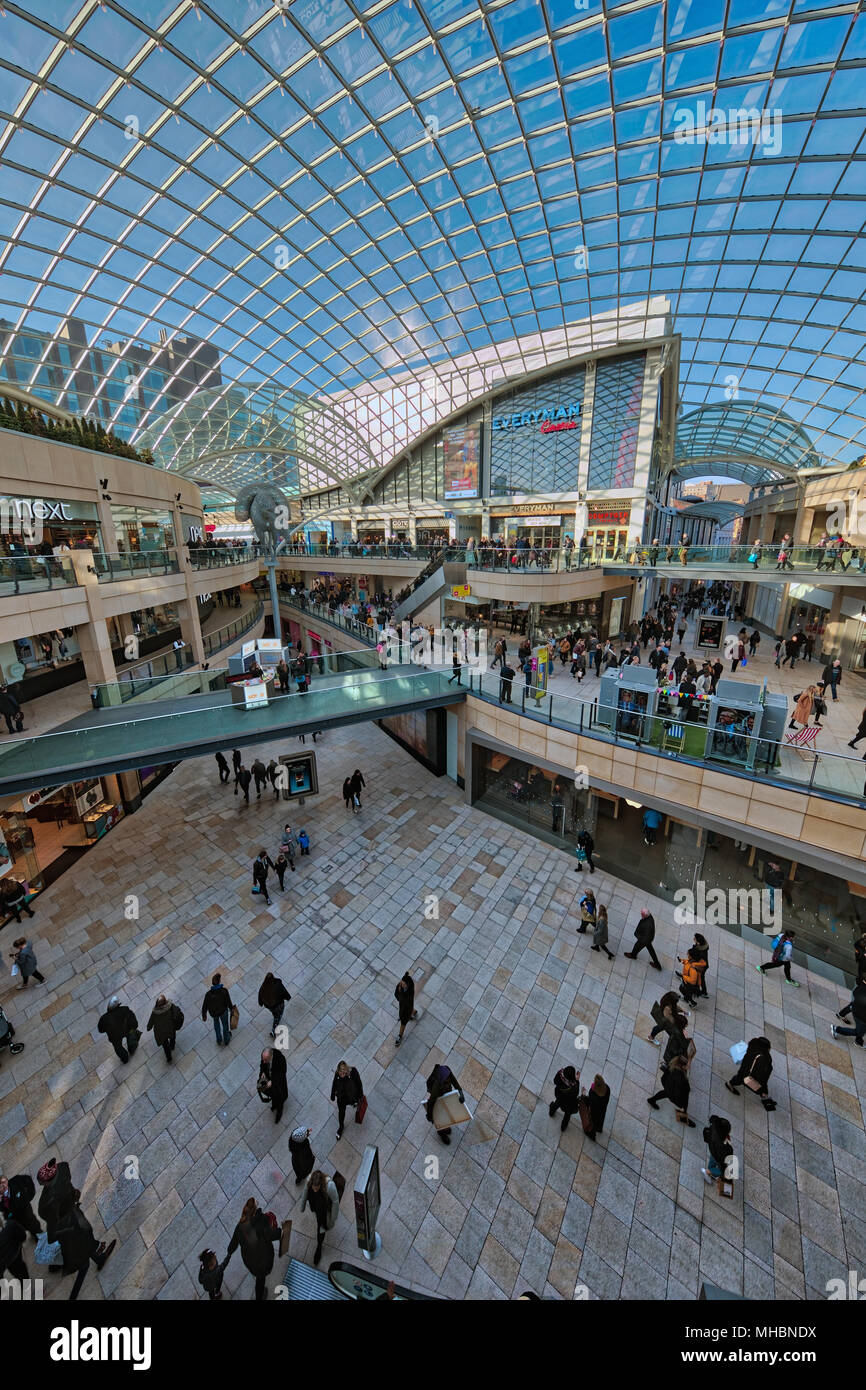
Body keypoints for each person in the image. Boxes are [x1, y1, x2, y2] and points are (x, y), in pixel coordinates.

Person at [55, 1200, 117, 1301]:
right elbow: (86, 1233)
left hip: (71, 1242)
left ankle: (99, 1259)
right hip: (76, 1245)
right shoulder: (73, 1215)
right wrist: (96, 1245)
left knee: (85, 1249)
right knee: (84, 1266)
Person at [225, 1198, 281, 1300]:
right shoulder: (262, 1221)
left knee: (259, 1276)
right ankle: (259, 1296)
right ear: (255, 1210)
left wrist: (229, 1253)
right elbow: (271, 1234)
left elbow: (233, 1243)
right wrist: (281, 1232)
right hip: (263, 1262)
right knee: (260, 1280)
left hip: (249, 1261)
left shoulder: (240, 1226)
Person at [301, 1170, 339, 1266]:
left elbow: (335, 1201)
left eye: (317, 1188)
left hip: (323, 1209)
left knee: (321, 1227)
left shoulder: (329, 1186)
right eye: (313, 1187)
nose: (315, 1189)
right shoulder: (309, 1180)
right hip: (315, 1204)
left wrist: (333, 1218)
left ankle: (319, 1246)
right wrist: (302, 1206)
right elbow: (305, 1192)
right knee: (319, 1220)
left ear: (321, 1184)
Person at [726, 1035, 774, 1109]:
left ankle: (764, 1096)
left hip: (745, 1069)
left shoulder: (753, 1045)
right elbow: (761, 1075)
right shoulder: (763, 1058)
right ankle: (764, 1096)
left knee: (740, 1078)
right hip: (750, 1075)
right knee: (758, 1087)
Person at [647, 1053, 694, 1126]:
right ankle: (682, 1118)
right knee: (684, 1105)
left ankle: (652, 1100)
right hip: (674, 1092)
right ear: (683, 1066)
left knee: (665, 1093)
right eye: (688, 1065)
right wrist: (681, 1099)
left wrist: (690, 1059)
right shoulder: (681, 1077)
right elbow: (682, 1090)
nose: (689, 1066)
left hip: (668, 1084)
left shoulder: (674, 1064)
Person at [425, 1061, 465, 1145]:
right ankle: (441, 1133)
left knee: (447, 1113)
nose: (448, 1084)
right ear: (441, 1082)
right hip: (438, 1097)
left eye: (448, 1081)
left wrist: (461, 1094)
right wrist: (430, 1116)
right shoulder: (437, 1087)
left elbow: (455, 1082)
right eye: (446, 1083)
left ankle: (445, 1127)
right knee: (439, 1116)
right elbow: (431, 1103)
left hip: (445, 1095)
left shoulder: (447, 1072)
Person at [97, 996, 139, 1064]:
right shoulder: (125, 1009)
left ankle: (125, 1058)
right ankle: (132, 1049)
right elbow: (134, 1023)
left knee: (118, 1047)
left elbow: (100, 1029)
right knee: (130, 1038)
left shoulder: (104, 1018)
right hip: (126, 1030)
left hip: (115, 1036)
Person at [0, 1172, 40, 1239]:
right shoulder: (1, 1199)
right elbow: (3, 1211)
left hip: (26, 1213)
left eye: (3, 1183)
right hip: (15, 1218)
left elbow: (28, 1179)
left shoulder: (16, 1181)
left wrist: (29, 1196)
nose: (3, 1186)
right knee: (23, 1229)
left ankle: (37, 1235)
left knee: (34, 1226)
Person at [330, 1060, 363, 1139]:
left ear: (346, 1070)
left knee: (354, 1102)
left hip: (352, 1096)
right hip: (341, 1098)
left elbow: (359, 1083)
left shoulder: (353, 1071)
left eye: (343, 1072)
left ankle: (354, 1103)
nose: (342, 1075)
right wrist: (333, 1095)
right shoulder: (337, 1074)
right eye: (340, 1073)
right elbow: (334, 1084)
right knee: (341, 1113)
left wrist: (360, 1095)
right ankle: (341, 1127)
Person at [146, 994, 183, 1064]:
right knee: (172, 1036)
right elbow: (177, 1010)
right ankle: (172, 1046)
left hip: (160, 1032)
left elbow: (151, 1022)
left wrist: (148, 1027)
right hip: (170, 1027)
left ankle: (169, 1057)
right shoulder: (170, 1006)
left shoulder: (155, 1013)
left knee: (165, 1045)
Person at [201, 972, 233, 1046]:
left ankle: (219, 1039)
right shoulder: (224, 991)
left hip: (214, 1013)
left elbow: (204, 1006)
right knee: (225, 1025)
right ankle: (226, 1040)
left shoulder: (208, 994)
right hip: (223, 1012)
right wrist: (232, 1009)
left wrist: (204, 1015)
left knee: (216, 1025)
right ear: (219, 981)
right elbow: (228, 1002)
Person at [258, 1046, 288, 1123]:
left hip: (279, 1084)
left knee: (279, 1098)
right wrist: (262, 1073)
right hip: (270, 1082)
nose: (263, 1061)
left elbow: (283, 1072)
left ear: (271, 1057)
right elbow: (262, 1066)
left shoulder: (280, 1058)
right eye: (263, 1059)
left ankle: (279, 1112)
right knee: (273, 1096)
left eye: (265, 1060)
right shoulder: (265, 1056)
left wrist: (273, 1081)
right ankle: (274, 1105)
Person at [833, 978, 866, 1047]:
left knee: (861, 1030)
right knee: (859, 1031)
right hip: (860, 1015)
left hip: (859, 1012)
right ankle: (837, 1029)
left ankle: (858, 1041)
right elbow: (856, 994)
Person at [548, 1064, 581, 1132]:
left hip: (559, 1096)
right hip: (568, 1103)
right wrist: (577, 1080)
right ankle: (563, 1126)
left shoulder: (560, 1074)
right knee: (567, 1114)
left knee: (556, 1103)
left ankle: (551, 1112)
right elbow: (576, 1094)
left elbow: (554, 1081)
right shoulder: (574, 1085)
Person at [702, 1115, 733, 1185]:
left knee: (713, 1159)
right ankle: (708, 1172)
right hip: (717, 1153)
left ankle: (710, 1169)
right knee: (724, 1171)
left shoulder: (715, 1125)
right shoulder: (722, 1146)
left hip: (712, 1148)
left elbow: (713, 1118)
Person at [258, 972, 291, 1038]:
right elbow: (283, 991)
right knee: (278, 1016)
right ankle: (274, 1030)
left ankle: (275, 1020)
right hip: (278, 1005)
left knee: (275, 1014)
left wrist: (261, 1003)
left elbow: (260, 996)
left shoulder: (263, 987)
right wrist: (288, 997)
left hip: (270, 1007)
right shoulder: (277, 984)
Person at [0, 1217, 29, 1289]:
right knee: (19, 1270)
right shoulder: (10, 1225)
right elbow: (22, 1235)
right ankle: (26, 1286)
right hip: (13, 1255)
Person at [581, 1075, 610, 1141]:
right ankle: (599, 1129)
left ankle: (592, 1136)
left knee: (592, 1125)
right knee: (599, 1122)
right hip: (602, 1111)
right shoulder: (607, 1089)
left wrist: (584, 1094)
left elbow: (589, 1103)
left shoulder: (593, 1094)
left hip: (594, 1113)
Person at [394, 971, 418, 1045]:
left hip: (406, 1008)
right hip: (405, 1006)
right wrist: (399, 996)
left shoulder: (410, 991)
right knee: (410, 1010)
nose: (401, 984)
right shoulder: (400, 986)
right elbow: (396, 994)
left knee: (403, 1022)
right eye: (402, 982)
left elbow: (407, 1002)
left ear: (407, 984)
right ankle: (414, 1012)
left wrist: (401, 996)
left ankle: (400, 1036)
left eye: (403, 984)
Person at [692, 932, 709, 998]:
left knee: (700, 978)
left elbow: (698, 959)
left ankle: (703, 992)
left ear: (698, 942)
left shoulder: (701, 952)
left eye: (695, 939)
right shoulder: (700, 946)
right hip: (700, 965)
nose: (693, 939)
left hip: (702, 967)